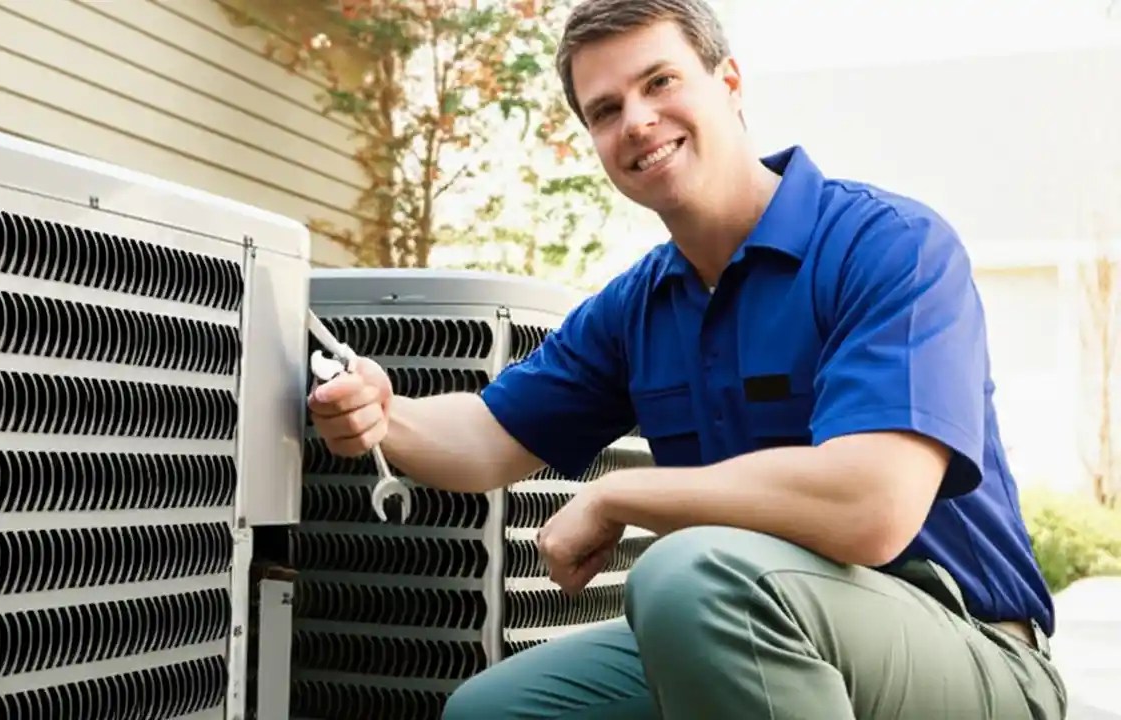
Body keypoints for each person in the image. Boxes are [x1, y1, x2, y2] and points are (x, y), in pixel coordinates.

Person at [306, 0, 1067, 717]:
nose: (637, 121)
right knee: (495, 709)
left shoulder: (889, 245)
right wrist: (383, 413)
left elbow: (872, 506)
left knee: (689, 573)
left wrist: (618, 496)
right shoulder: (639, 305)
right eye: (606, 110)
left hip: (970, 647)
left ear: (728, 83)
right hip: (756, 620)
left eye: (660, 82)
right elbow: (486, 436)